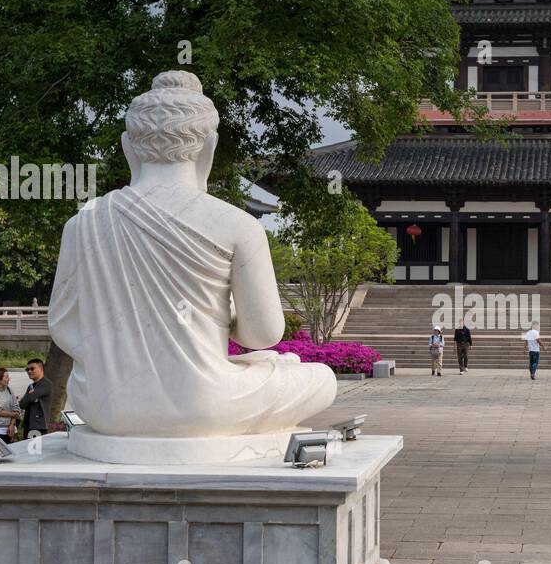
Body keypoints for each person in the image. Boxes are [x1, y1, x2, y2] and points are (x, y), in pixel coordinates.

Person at [47, 70, 336, 439]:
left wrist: (115, 361)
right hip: (204, 408)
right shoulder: (237, 224)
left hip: (105, 408)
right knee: (319, 378)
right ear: (209, 146)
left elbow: (63, 325)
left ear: (127, 146)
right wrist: (224, 314)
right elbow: (263, 334)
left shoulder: (83, 223)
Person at [19, 358, 53, 437]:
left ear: (41, 369)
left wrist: (30, 396)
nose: (29, 371)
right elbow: (22, 404)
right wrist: (31, 396)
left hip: (38, 426)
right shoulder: (31, 386)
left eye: (32, 368)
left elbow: (30, 398)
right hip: (28, 425)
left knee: (35, 449)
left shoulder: (45, 384)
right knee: (27, 449)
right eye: (27, 369)